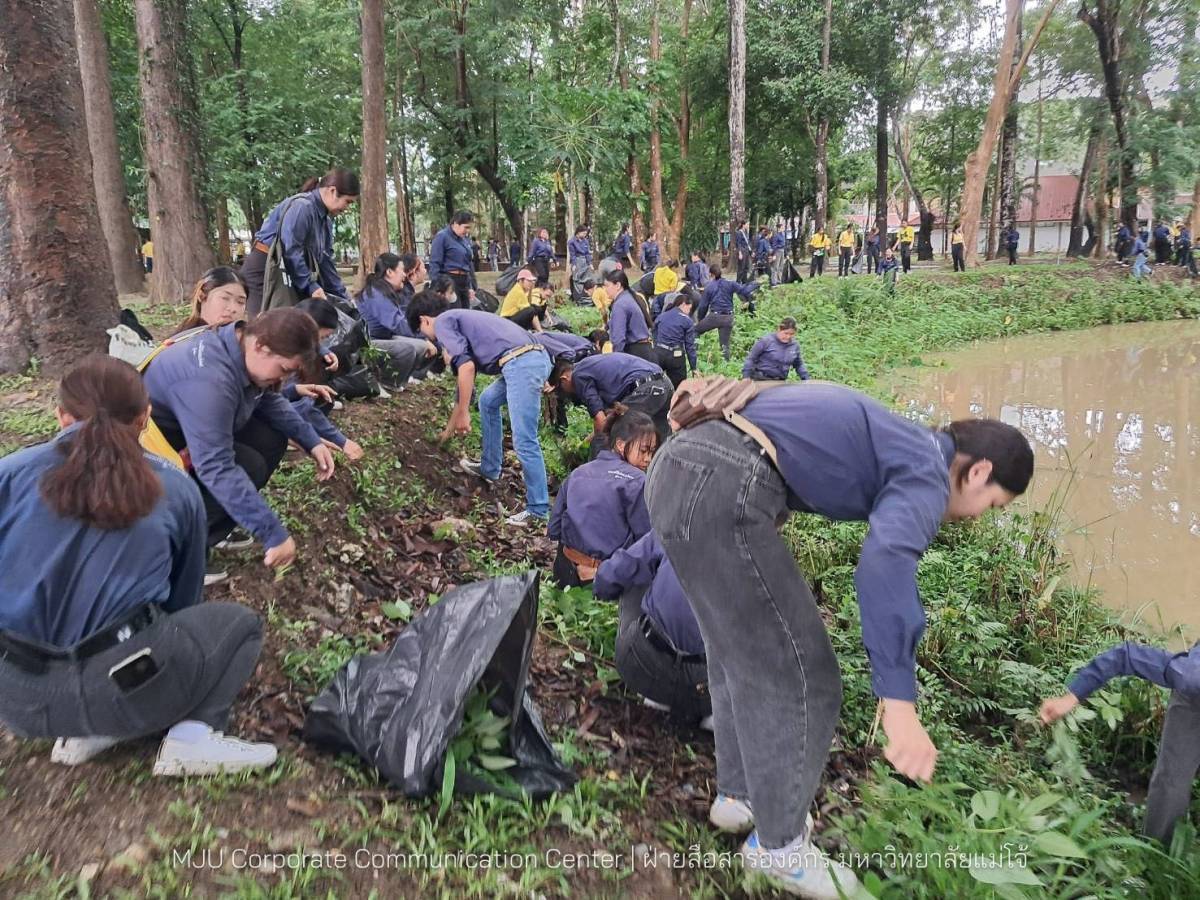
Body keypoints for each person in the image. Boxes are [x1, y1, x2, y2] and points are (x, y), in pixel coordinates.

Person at [645, 384, 1033, 897]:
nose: (980, 514)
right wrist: (899, 704)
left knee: (732, 649)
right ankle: (778, 849)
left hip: (675, 470)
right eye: (993, 503)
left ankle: (740, 800)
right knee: (809, 677)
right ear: (978, 471)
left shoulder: (896, 438)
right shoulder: (925, 469)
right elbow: (886, 562)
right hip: (724, 482)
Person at [0, 355, 278, 776]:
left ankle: (91, 723)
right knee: (239, 625)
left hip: (17, 699)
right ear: (146, 418)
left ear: (60, 415)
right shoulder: (177, 488)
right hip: (123, 689)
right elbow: (183, 604)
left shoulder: (10, 473)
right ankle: (192, 736)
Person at [142, 309, 336, 584]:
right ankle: (177, 553)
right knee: (248, 466)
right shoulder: (210, 382)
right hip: (151, 460)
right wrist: (273, 533)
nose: (282, 380)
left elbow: (270, 400)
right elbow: (215, 467)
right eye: (283, 370)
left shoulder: (237, 342)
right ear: (260, 346)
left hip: (184, 439)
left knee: (270, 438)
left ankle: (209, 531)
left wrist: (311, 440)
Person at [407, 294, 551, 526]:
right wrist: (448, 430)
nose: (428, 338)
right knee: (488, 401)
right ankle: (490, 467)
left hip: (521, 363)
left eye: (421, 331)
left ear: (424, 320)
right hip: (529, 357)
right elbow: (463, 386)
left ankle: (538, 509)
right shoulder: (459, 319)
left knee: (524, 439)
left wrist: (464, 413)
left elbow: (467, 367)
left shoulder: (443, 322)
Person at [1040, 639, 1200, 844]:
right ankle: (1156, 852)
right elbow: (1125, 655)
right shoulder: (1189, 676)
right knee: (1171, 780)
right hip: (1193, 696)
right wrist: (1070, 697)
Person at [594, 530, 710, 725]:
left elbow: (613, 574)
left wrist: (599, 590)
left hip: (646, 667)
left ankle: (656, 695)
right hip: (709, 687)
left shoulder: (677, 524)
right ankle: (714, 716)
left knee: (635, 577)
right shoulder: (760, 556)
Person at [548, 405, 655, 587]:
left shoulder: (579, 472)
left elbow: (554, 528)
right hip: (606, 579)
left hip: (565, 569)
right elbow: (646, 542)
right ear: (621, 445)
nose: (648, 459)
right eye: (644, 451)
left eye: (652, 452)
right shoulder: (638, 481)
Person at [242, 169, 360, 316]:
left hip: (292, 272)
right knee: (266, 327)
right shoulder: (302, 207)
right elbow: (291, 250)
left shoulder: (326, 222)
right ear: (332, 191)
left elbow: (325, 262)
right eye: (347, 202)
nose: (347, 208)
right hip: (266, 269)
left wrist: (344, 297)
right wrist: (310, 286)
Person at [548, 352, 673, 448]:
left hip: (646, 390)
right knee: (658, 444)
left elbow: (601, 420)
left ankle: (598, 477)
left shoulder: (578, 375)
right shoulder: (589, 366)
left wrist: (588, 446)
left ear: (564, 379)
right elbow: (608, 417)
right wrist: (586, 441)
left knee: (611, 438)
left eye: (561, 389)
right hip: (664, 384)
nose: (565, 393)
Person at [355, 254, 440, 387]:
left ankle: (401, 381)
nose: (405, 275)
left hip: (384, 338)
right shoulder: (376, 294)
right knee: (408, 349)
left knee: (421, 346)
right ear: (389, 272)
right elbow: (398, 324)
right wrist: (425, 335)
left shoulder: (384, 291)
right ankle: (385, 382)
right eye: (401, 270)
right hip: (368, 344)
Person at [696, 263, 757, 361]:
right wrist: (756, 284)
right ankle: (726, 364)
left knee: (695, 330)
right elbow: (744, 290)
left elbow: (703, 306)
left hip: (715, 316)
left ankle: (695, 354)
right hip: (728, 317)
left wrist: (700, 319)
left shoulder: (709, 287)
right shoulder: (730, 283)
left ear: (711, 274)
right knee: (725, 345)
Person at [429, 210, 478, 309]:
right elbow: (435, 263)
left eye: (469, 228)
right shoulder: (442, 237)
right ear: (455, 223)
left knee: (465, 313)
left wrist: (471, 286)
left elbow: (468, 263)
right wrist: (439, 287)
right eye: (466, 227)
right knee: (454, 312)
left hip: (464, 281)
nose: (468, 231)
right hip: (450, 280)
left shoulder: (464, 240)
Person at [605, 270, 655, 362]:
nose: (605, 289)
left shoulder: (620, 304)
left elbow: (618, 338)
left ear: (618, 285)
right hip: (645, 350)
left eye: (607, 285)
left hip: (634, 352)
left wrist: (616, 360)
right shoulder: (629, 297)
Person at [178, 267, 247, 332]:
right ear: (201, 296)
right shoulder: (182, 341)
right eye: (225, 298)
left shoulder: (247, 342)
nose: (233, 308)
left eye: (240, 302)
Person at [742, 318, 810, 382]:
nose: (788, 337)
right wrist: (746, 377)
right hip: (761, 379)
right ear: (779, 329)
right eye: (786, 333)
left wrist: (806, 378)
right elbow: (751, 359)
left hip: (780, 382)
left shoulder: (794, 345)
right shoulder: (766, 341)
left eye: (791, 334)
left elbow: (798, 364)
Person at [654, 292, 698, 388]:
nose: (689, 312)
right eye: (689, 309)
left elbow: (655, 335)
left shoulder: (662, 316)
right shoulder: (687, 321)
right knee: (679, 386)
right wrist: (693, 367)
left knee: (656, 384)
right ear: (683, 304)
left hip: (659, 353)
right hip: (675, 356)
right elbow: (690, 346)